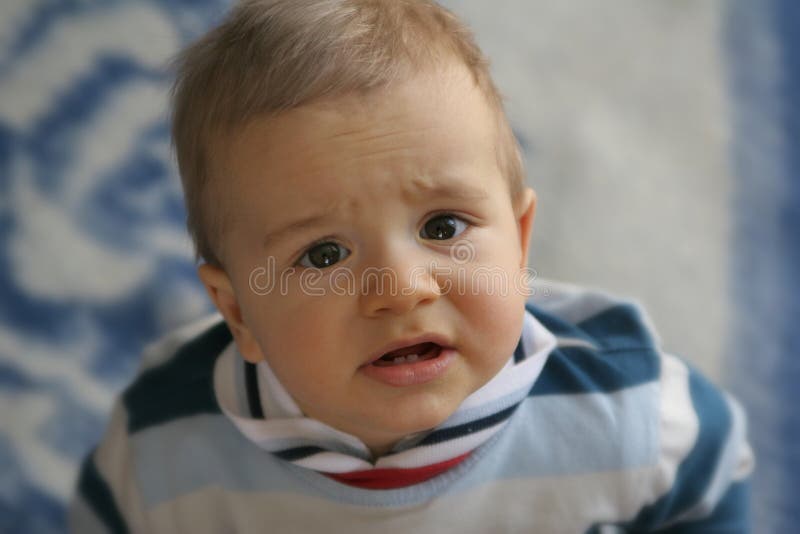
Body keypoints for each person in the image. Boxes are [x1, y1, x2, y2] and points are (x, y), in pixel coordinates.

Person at [70, 0, 754, 532]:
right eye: (325, 253)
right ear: (239, 310)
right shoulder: (164, 451)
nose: (400, 289)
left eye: (443, 226)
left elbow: (709, 481)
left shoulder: (623, 407)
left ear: (518, 243)